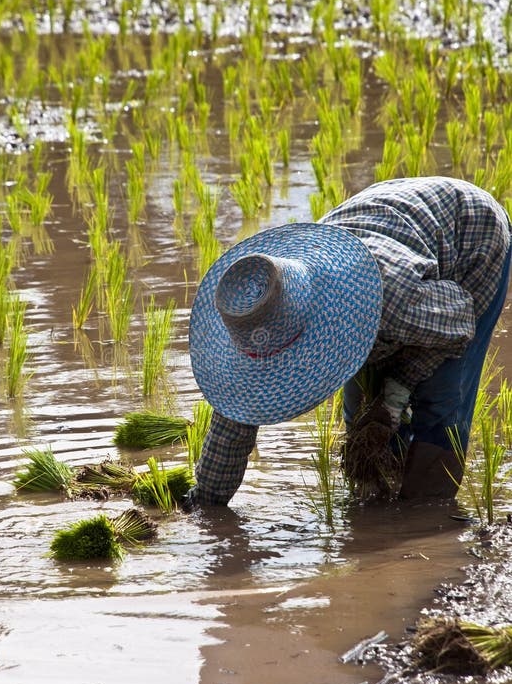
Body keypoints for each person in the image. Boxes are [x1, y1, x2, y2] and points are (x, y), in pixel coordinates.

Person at [184, 176, 512, 510]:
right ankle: (375, 503)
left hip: (472, 242)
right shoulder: (255, 319)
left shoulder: (391, 299)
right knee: (362, 411)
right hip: (387, 234)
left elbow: (458, 323)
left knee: (439, 399)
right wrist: (205, 504)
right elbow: (232, 425)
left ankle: (426, 518)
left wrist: (399, 389)